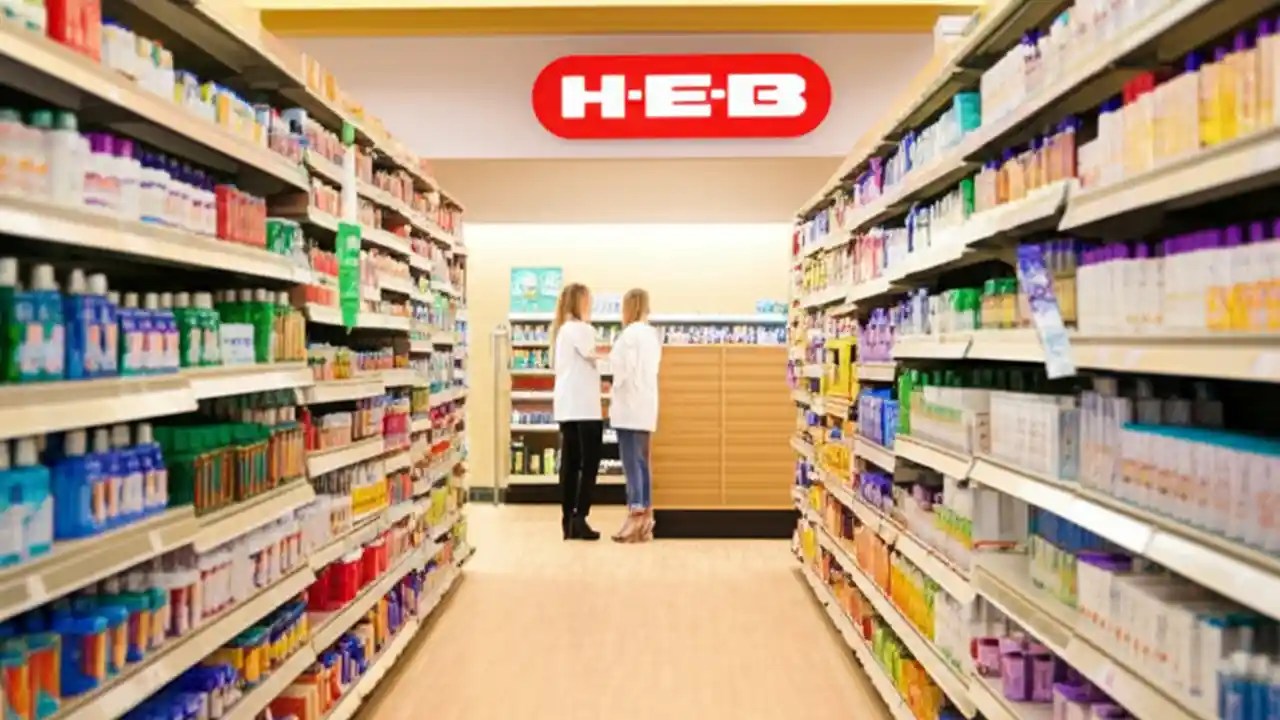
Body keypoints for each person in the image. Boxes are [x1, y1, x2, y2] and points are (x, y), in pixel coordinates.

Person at [608, 288, 661, 543]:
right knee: (642, 462)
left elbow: (621, 371)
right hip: (646, 406)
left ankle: (635, 515)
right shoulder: (652, 335)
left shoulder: (628, 335)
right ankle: (647, 518)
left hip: (628, 407)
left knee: (630, 462)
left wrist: (610, 379)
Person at [551, 282, 604, 540]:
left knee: (570, 465)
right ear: (580, 302)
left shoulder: (561, 330)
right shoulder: (582, 329)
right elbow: (595, 358)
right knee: (589, 463)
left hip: (567, 406)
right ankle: (580, 517)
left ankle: (567, 519)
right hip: (585, 407)